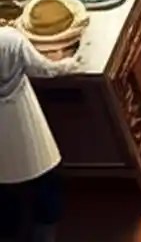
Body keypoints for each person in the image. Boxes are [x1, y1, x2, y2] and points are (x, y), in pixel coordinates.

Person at [0, 27, 80, 242]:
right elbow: (45, 69)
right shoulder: (10, 39)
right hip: (20, 114)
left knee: (5, 187)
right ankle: (45, 229)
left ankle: (9, 231)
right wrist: (71, 61)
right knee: (44, 174)